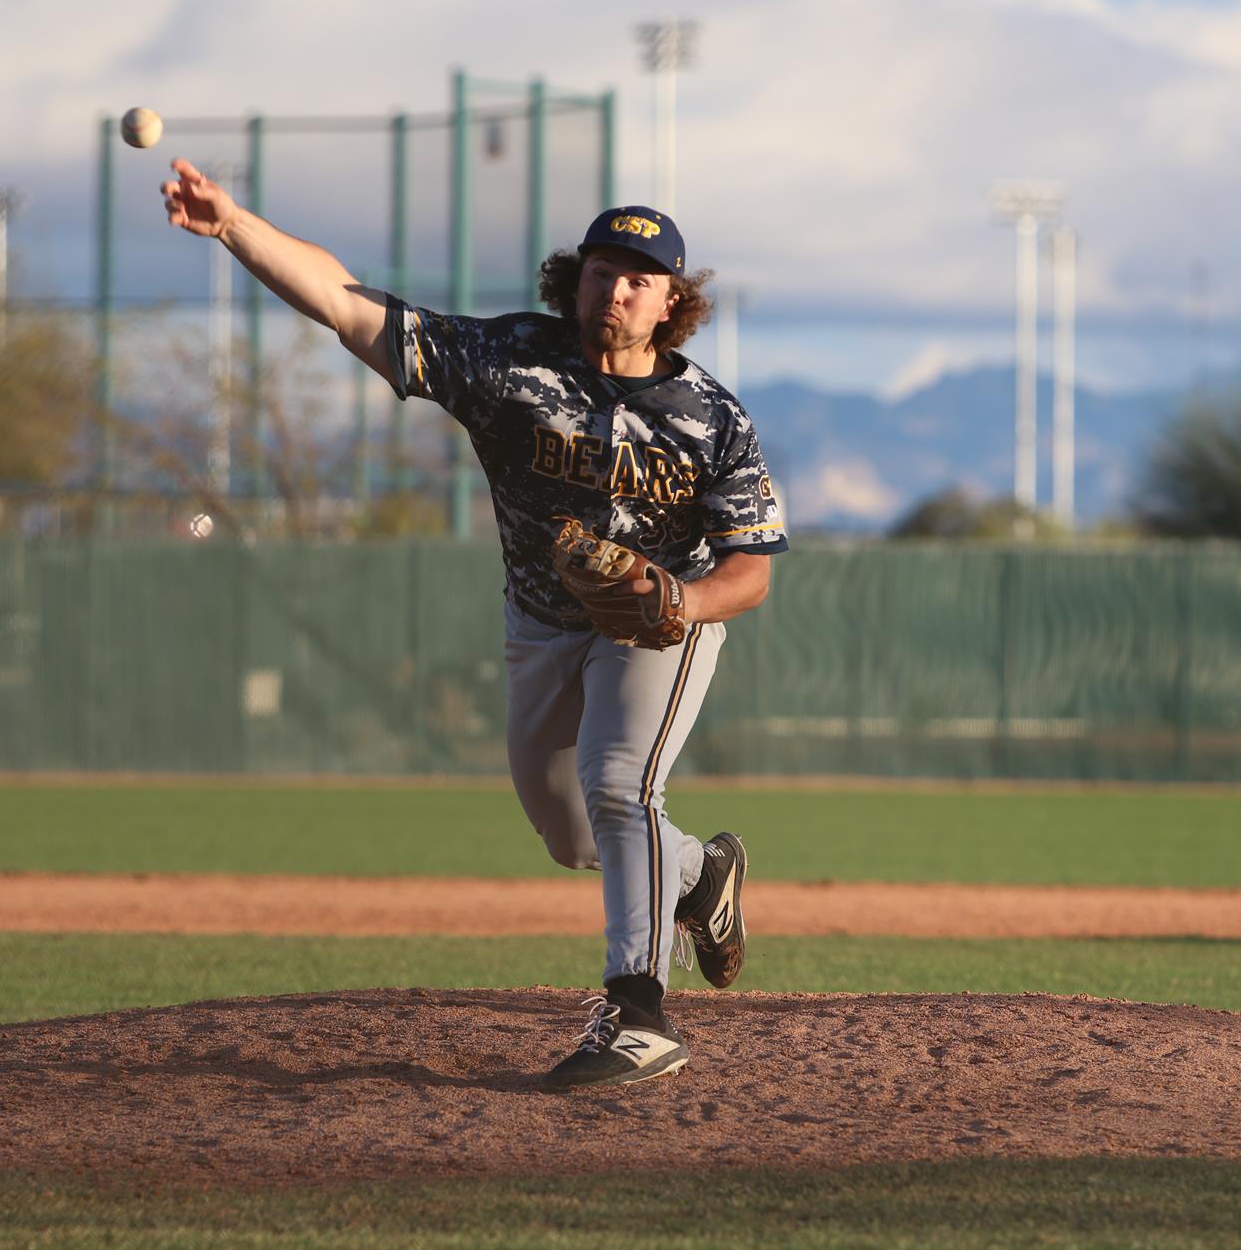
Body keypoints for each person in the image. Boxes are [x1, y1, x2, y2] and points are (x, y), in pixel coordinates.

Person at [160, 160, 788, 1090]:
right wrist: (231, 226)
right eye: (601, 269)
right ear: (572, 281)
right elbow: (347, 305)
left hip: (658, 622)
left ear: (670, 304)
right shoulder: (509, 364)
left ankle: (639, 1015)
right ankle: (697, 877)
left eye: (639, 278)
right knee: (569, 830)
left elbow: (752, 570)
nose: (616, 288)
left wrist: (683, 603)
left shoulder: (710, 419)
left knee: (619, 788)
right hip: (540, 622)